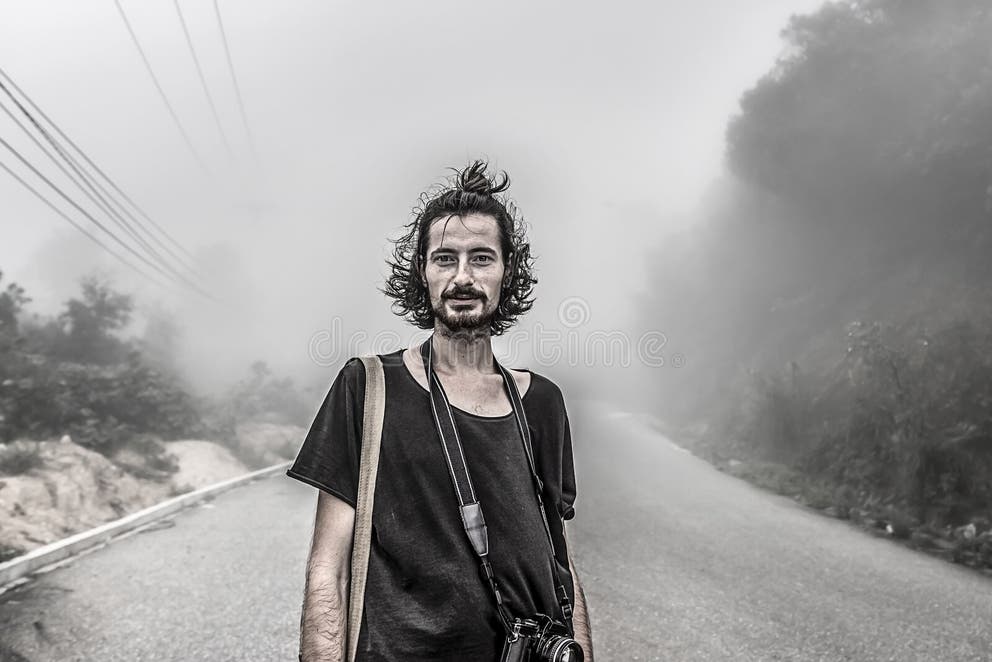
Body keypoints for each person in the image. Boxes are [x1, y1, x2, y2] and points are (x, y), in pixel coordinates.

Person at [288, 160, 594, 661]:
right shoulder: (368, 388)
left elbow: (562, 565)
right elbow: (329, 567)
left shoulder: (542, 403)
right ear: (423, 272)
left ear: (506, 272)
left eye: (481, 259)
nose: (463, 277)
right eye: (445, 259)